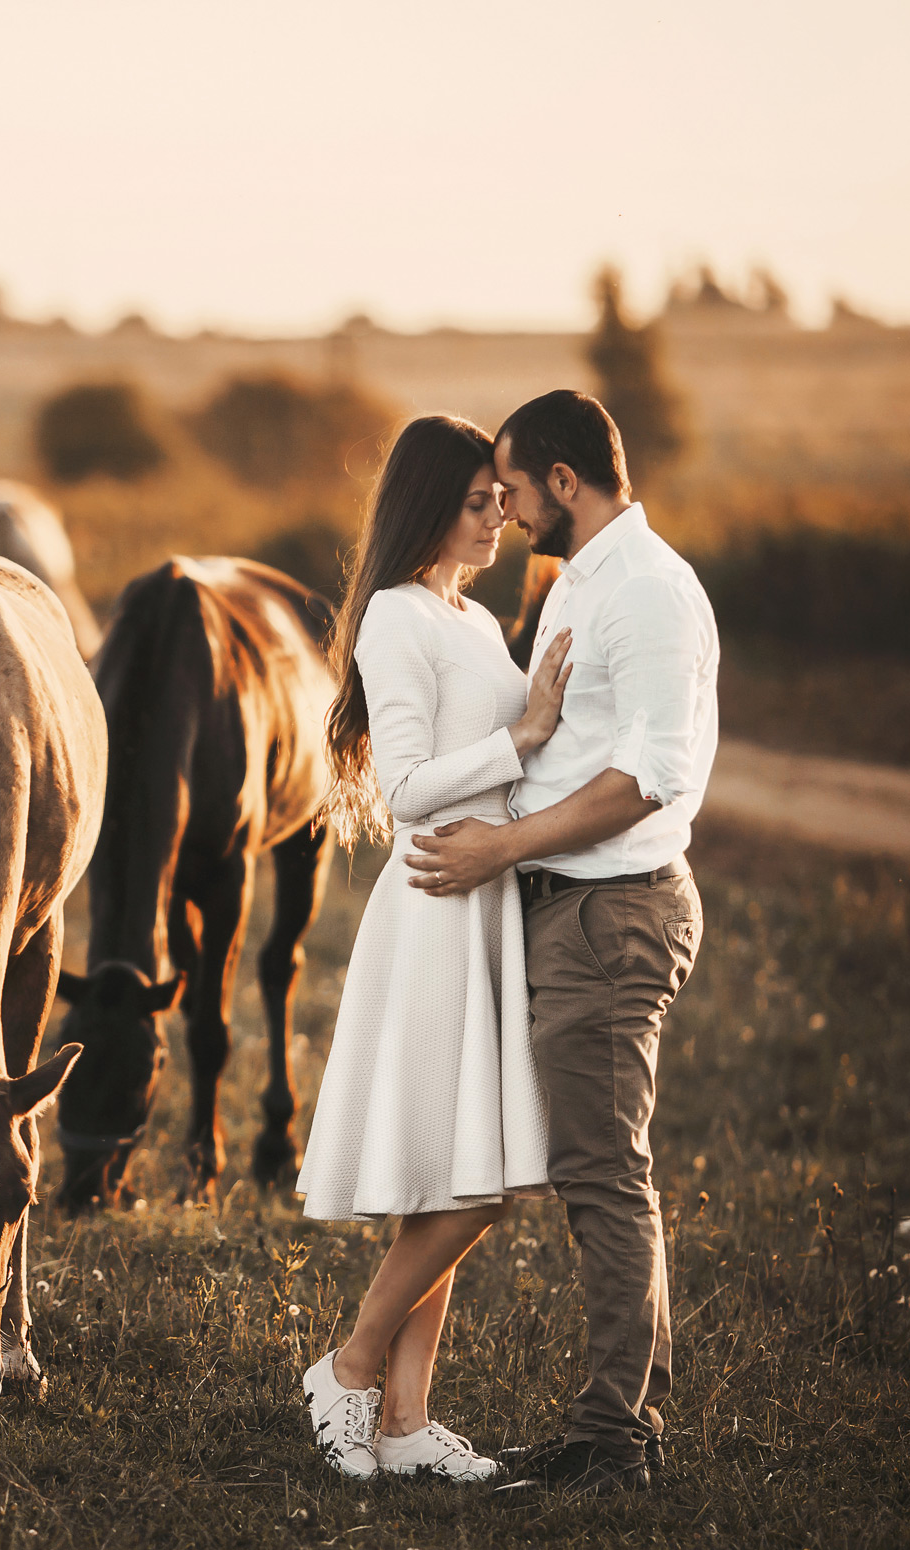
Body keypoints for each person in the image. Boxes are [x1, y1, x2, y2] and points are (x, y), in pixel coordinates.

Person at [404, 390, 719, 1495]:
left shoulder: (644, 593)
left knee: (602, 1175)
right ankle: (615, 1421)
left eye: (514, 484)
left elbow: (646, 778)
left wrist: (505, 847)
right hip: (569, 908)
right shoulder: (581, 580)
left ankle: (614, 1440)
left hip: (611, 911)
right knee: (593, 1172)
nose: (504, 504)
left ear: (565, 482)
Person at [296, 414, 574, 1484]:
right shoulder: (395, 620)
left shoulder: (470, 620)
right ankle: (351, 1365)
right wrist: (526, 735)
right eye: (472, 502)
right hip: (436, 905)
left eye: (497, 499)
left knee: (456, 1163)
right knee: (478, 1183)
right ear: (424, 506)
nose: (495, 516)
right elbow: (407, 787)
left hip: (486, 897)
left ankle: (407, 1420)